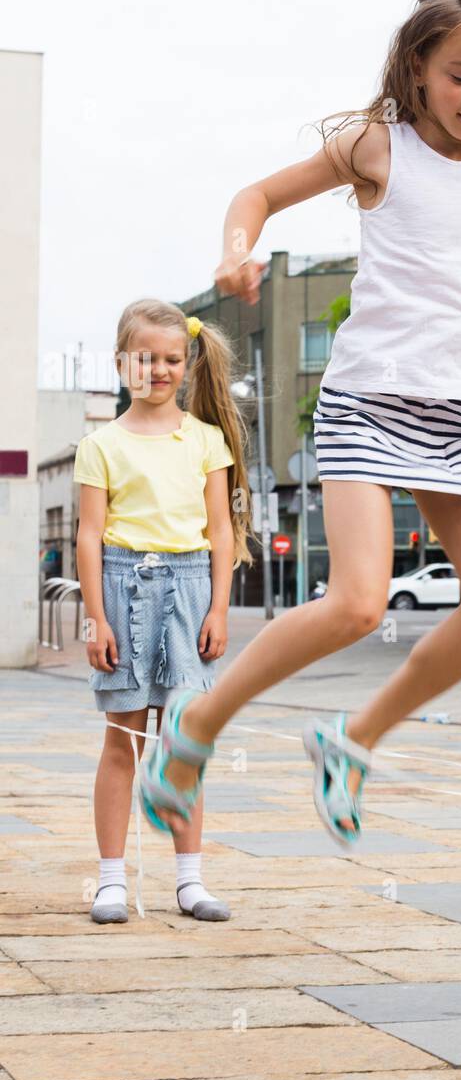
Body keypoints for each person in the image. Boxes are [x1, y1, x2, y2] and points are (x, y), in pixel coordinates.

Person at [137, 0, 461, 849]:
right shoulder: (379, 147)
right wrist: (234, 257)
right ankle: (198, 724)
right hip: (368, 402)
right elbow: (254, 197)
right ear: (416, 68)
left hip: (457, 417)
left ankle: (350, 739)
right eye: (459, 77)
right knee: (360, 602)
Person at [73, 301, 252, 922]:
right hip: (123, 588)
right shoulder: (99, 445)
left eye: (172, 359)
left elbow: (222, 532)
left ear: (188, 362)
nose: (160, 370)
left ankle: (190, 879)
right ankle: (110, 880)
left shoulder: (206, 441)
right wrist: (95, 617)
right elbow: (89, 537)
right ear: (123, 362)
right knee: (122, 740)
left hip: (190, 589)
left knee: (181, 743)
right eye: (146, 358)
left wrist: (220, 609)